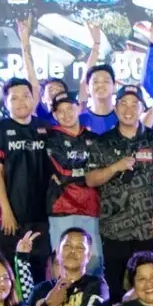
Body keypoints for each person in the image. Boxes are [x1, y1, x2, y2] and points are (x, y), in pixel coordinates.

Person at [85, 86, 153, 300]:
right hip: (113, 228)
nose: (129, 109)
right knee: (115, 287)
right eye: (123, 104)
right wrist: (115, 167)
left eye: (135, 104)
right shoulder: (102, 142)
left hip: (148, 227)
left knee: (149, 283)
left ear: (142, 108)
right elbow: (90, 179)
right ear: (115, 108)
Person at [0, 78, 54, 275]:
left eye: (26, 96)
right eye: (14, 98)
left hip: (40, 215)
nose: (21, 102)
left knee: (39, 273)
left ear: (33, 98)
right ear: (6, 103)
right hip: (9, 218)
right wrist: (6, 211)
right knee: (10, 272)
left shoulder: (45, 128)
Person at [44, 93, 103, 275]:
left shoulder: (95, 138)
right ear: (55, 115)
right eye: (60, 111)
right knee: (62, 261)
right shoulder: (51, 138)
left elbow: (102, 170)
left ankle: (92, 293)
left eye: (70, 108)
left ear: (78, 108)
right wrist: (89, 173)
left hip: (92, 207)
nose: (66, 114)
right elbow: (63, 173)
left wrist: (80, 173)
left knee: (93, 262)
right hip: (62, 207)